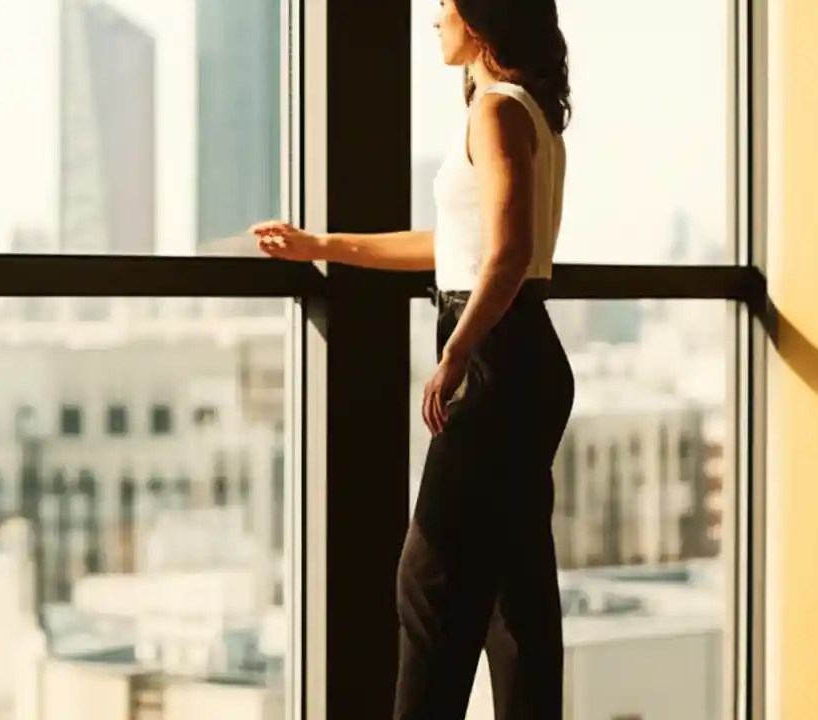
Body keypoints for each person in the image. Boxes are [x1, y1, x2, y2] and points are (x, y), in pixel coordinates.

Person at [250, 0, 574, 716]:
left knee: (430, 584)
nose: (434, 20)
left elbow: (508, 254)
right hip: (522, 357)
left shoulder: (496, 110)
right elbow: (453, 244)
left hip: (498, 358)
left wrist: (457, 352)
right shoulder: (522, 109)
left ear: (480, 19)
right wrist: (321, 245)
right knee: (514, 593)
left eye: (445, 7)